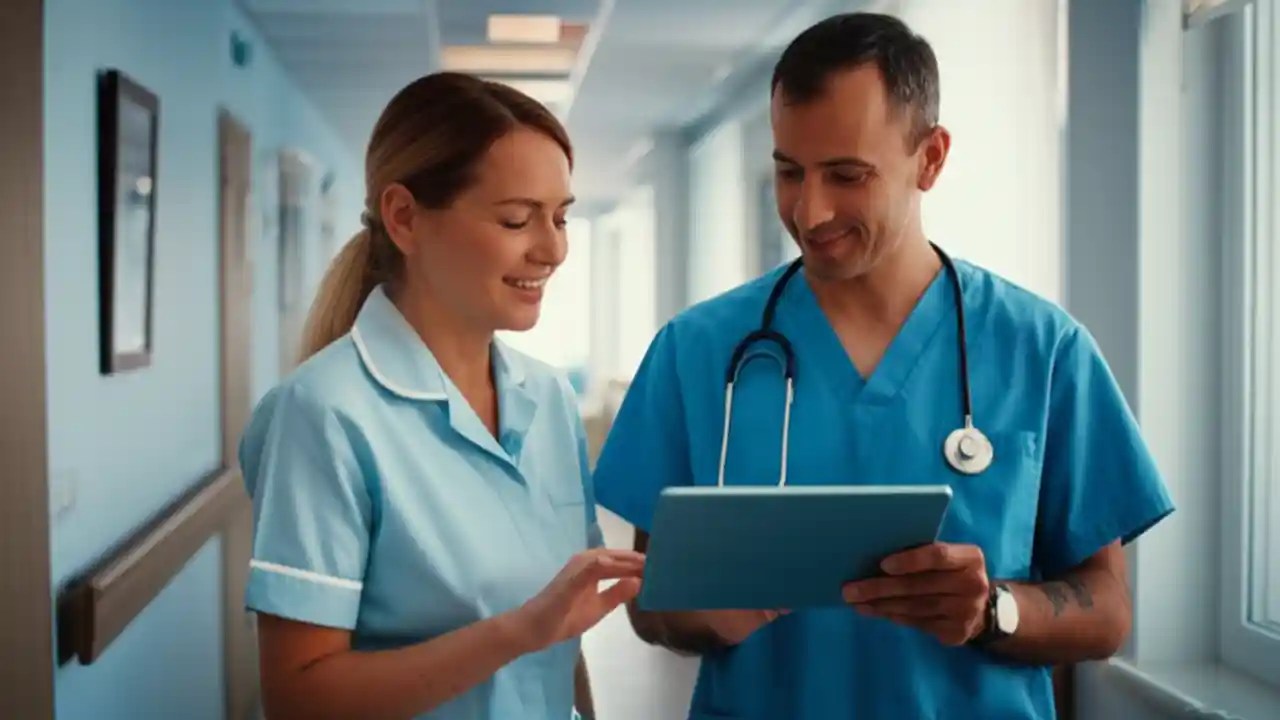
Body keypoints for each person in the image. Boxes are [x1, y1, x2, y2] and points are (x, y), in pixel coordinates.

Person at [593, 12, 1174, 720]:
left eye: (846, 175)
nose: (810, 211)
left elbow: (1108, 611)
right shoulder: (696, 353)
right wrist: (706, 612)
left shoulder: (1042, 351)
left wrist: (994, 610)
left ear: (930, 158)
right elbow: (651, 605)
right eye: (788, 172)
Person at [238, 72, 643, 720]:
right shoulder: (324, 413)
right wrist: (517, 631)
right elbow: (300, 696)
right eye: (517, 219)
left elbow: (562, 638)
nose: (553, 248)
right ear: (404, 217)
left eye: (561, 217)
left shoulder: (549, 401)